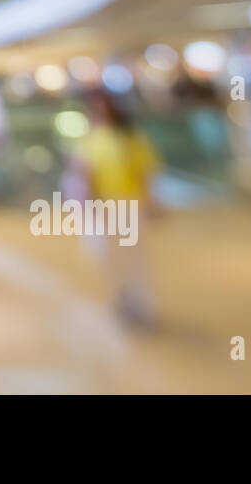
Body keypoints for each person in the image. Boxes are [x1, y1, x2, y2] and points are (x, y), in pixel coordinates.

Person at [71, 90, 161, 328]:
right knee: (108, 255)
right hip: (104, 205)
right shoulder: (89, 140)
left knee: (133, 256)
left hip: (129, 202)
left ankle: (142, 303)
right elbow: (84, 175)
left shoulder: (130, 139)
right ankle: (122, 297)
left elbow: (146, 171)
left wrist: (151, 201)